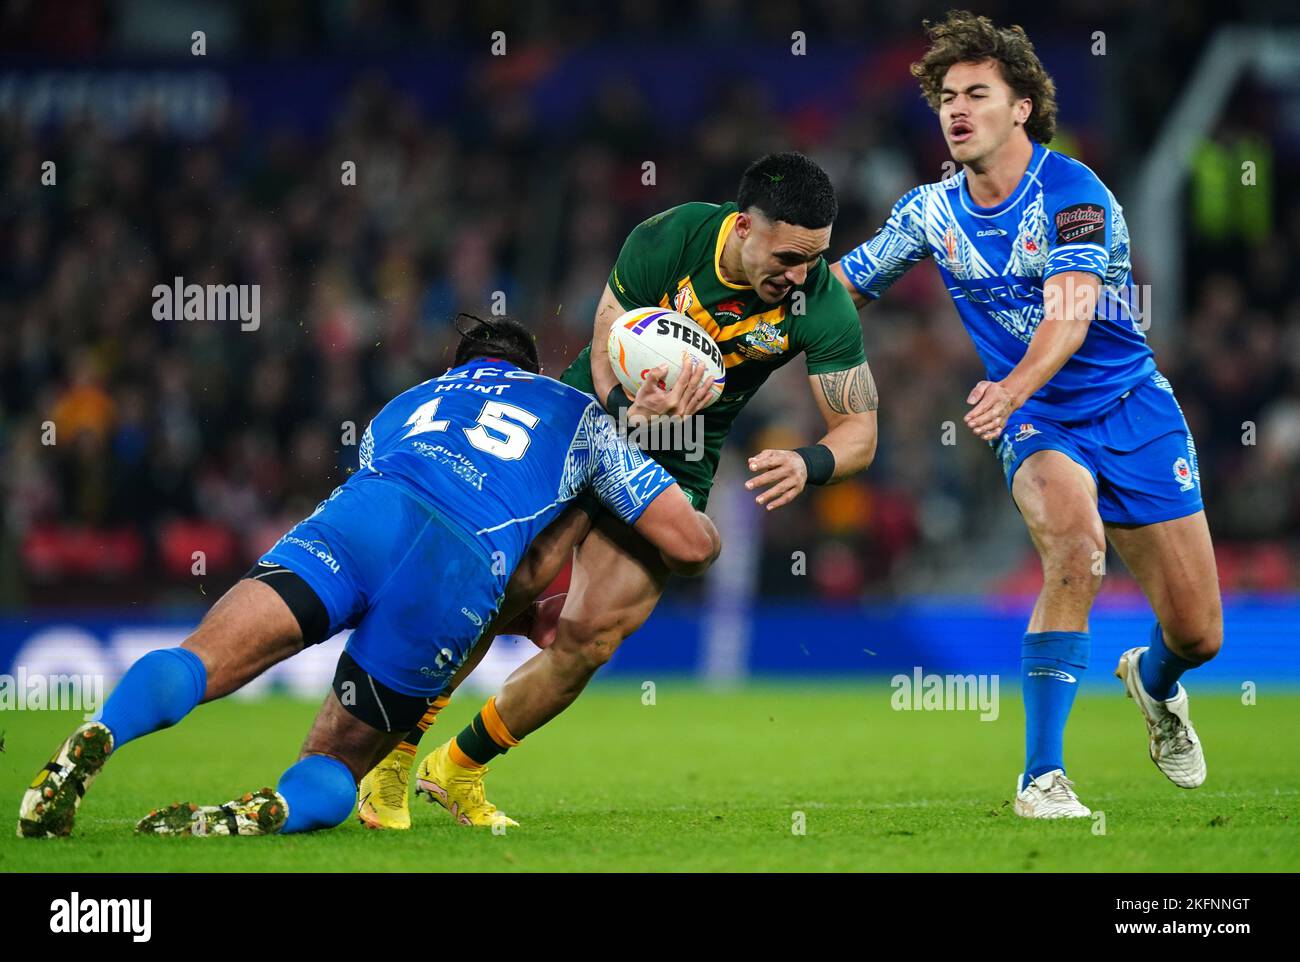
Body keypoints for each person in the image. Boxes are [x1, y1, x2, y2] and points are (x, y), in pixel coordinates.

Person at [18, 315, 719, 838]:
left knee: (198, 660)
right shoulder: (586, 421)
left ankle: (98, 735)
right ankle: (268, 811)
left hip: (366, 518)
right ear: (532, 371)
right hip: (457, 569)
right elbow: (690, 547)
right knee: (337, 762)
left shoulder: (404, 405)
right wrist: (641, 434)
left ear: (459, 367)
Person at [358, 151, 880, 829]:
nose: (799, 275)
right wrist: (623, 408)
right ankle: (389, 762)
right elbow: (605, 335)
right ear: (744, 227)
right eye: (787, 257)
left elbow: (860, 432)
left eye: (814, 259)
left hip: (682, 456)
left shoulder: (820, 301)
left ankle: (457, 768)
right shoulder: (672, 238)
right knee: (511, 587)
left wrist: (808, 463)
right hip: (586, 418)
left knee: (591, 637)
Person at [831, 11, 1221, 816]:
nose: (957, 108)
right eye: (946, 96)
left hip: (1131, 409)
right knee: (1075, 550)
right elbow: (839, 291)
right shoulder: (930, 212)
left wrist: (1009, 384)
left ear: (1021, 108)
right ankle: (1041, 778)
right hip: (1039, 420)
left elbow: (1069, 315)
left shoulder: (1075, 194)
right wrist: (745, 312)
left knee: (1197, 634)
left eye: (978, 92)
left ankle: (1152, 684)